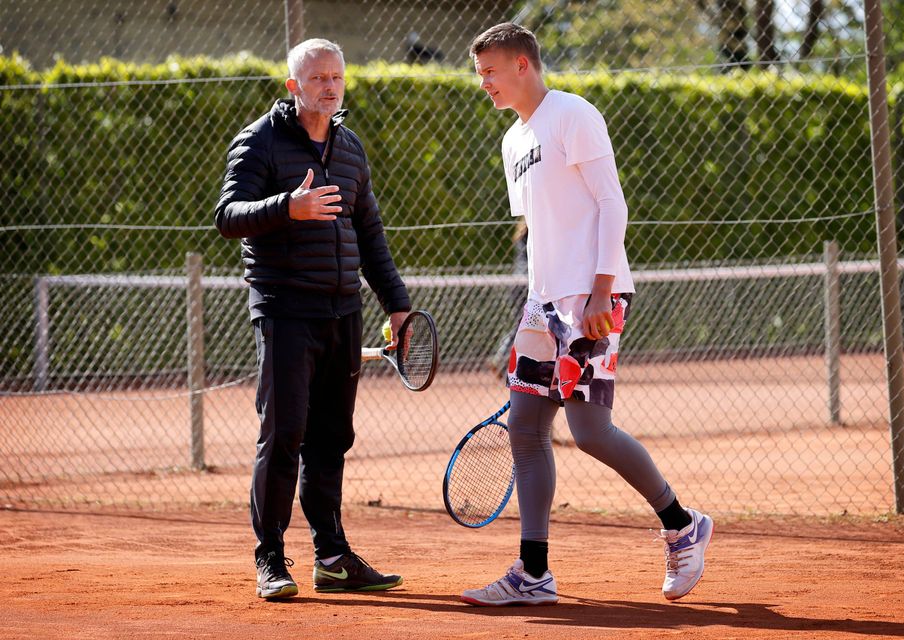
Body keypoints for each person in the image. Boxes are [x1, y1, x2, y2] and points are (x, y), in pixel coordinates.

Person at [462, 23, 713, 606]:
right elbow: (539, 228)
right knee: (525, 427)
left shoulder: (572, 113)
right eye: (480, 74)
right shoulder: (512, 141)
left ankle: (682, 524)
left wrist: (602, 290)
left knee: (589, 431)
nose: (484, 84)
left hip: (591, 299)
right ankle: (533, 574)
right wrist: (533, 310)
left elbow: (610, 202)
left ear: (522, 65)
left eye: (490, 72)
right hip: (543, 304)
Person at [215, 38, 410, 600]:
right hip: (285, 309)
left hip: (343, 310)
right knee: (283, 434)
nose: (330, 86)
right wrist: (286, 207)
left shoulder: (348, 149)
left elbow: (369, 234)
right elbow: (227, 216)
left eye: (337, 77)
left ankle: (332, 556)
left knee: (331, 437)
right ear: (293, 85)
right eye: (318, 77)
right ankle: (271, 559)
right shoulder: (260, 142)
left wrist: (395, 303)